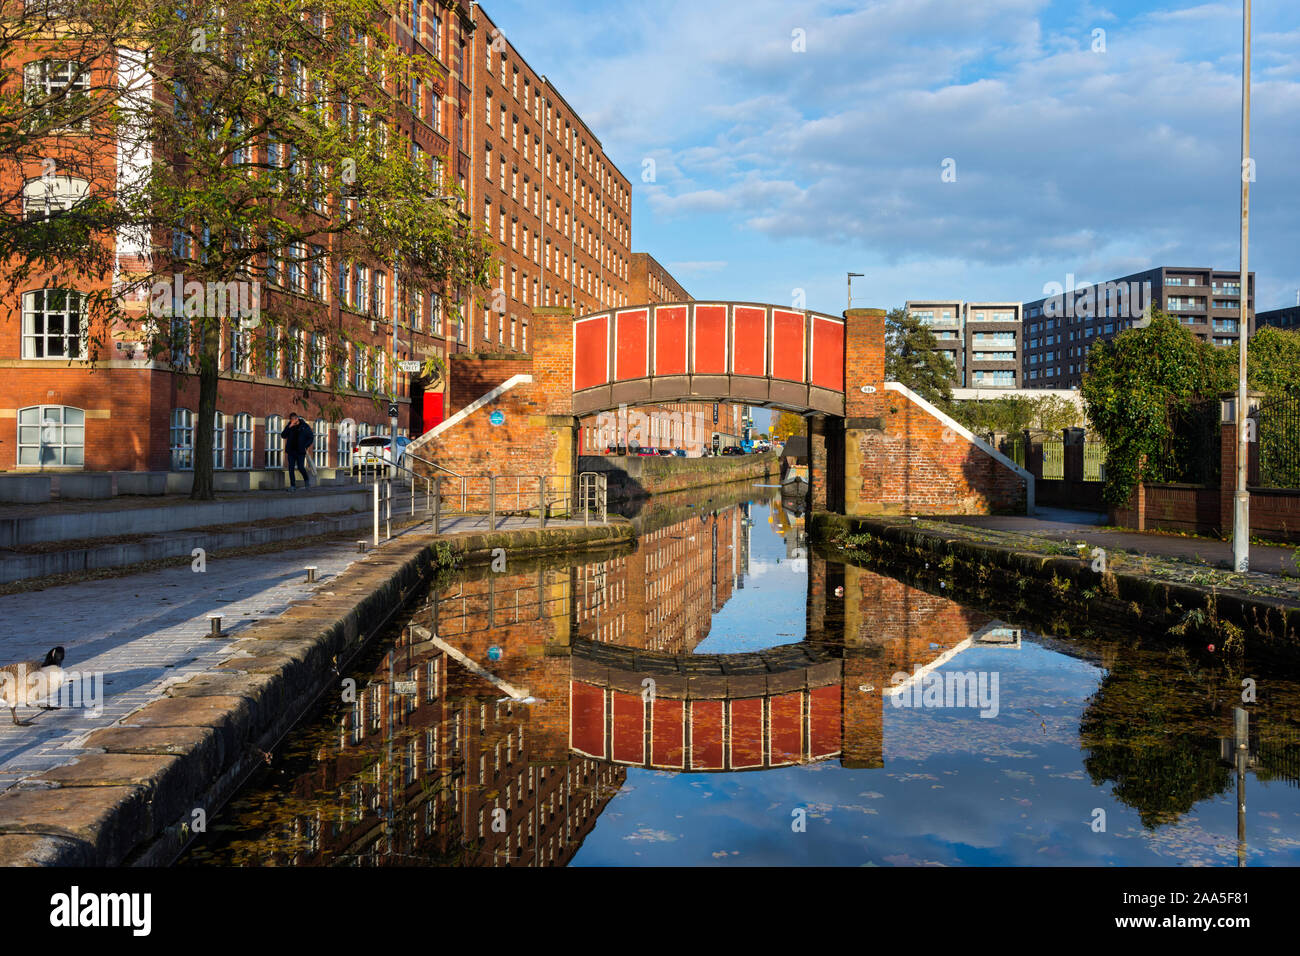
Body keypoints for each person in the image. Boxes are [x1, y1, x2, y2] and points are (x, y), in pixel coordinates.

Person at [281, 413, 314, 490]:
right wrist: (289, 427)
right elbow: (283, 435)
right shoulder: (290, 425)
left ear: (297, 419)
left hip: (300, 451)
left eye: (293, 420)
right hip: (291, 451)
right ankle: (293, 486)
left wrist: (305, 446)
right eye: (291, 420)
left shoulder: (305, 426)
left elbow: (311, 437)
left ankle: (306, 481)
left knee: (301, 467)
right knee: (291, 468)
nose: (292, 421)